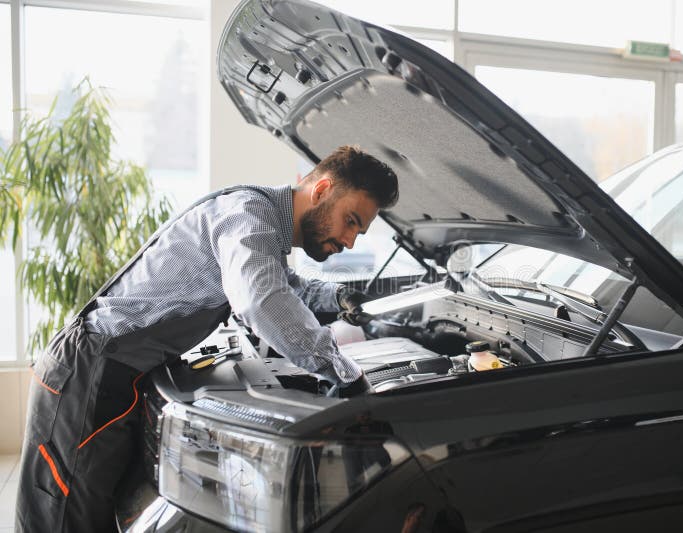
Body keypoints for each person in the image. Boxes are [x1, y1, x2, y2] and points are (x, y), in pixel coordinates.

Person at [16, 145, 399, 532]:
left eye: (359, 231)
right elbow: (262, 300)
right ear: (321, 191)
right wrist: (344, 373)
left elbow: (283, 286)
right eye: (351, 221)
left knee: (98, 512)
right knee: (63, 520)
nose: (350, 241)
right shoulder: (250, 215)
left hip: (115, 371)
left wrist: (339, 297)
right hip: (90, 371)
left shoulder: (261, 225)